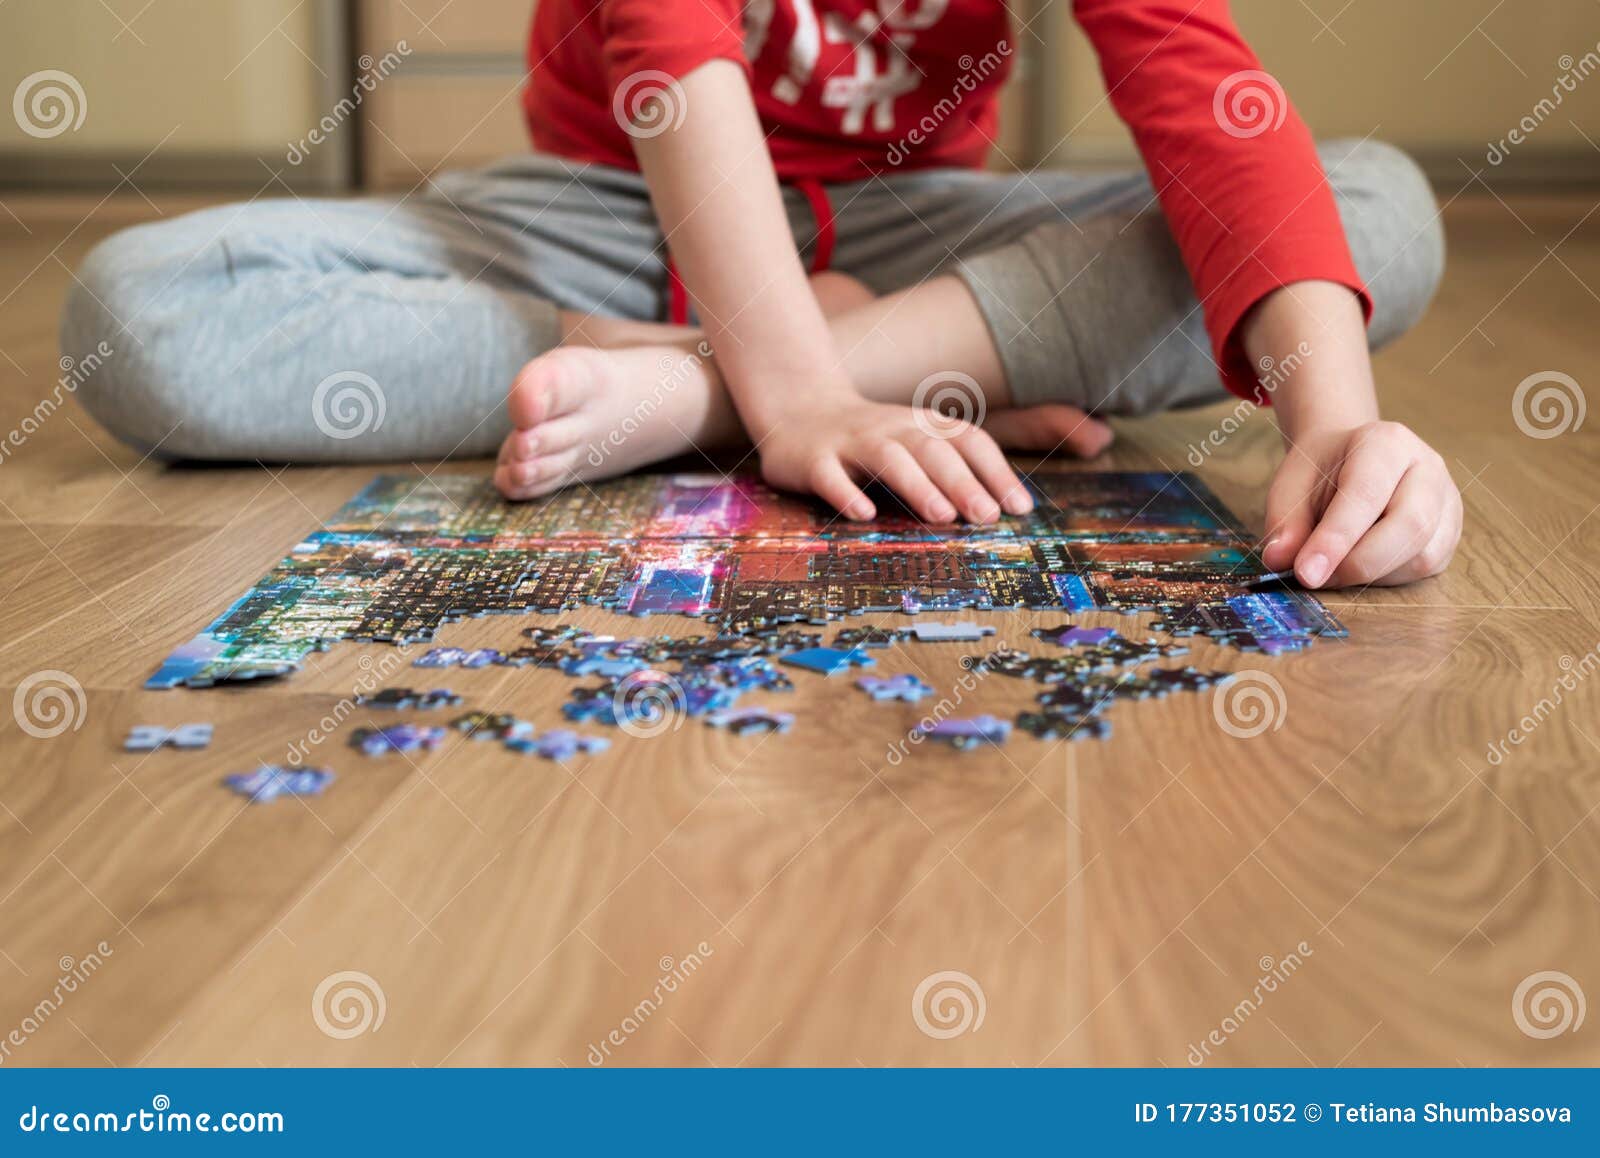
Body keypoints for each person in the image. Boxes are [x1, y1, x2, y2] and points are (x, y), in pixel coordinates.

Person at [62, 0, 1458, 589]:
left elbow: (1198, 83)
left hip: (912, 223)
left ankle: (684, 388)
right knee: (144, 309)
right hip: (626, 209)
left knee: (1378, 207)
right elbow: (666, 46)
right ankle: (847, 368)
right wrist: (794, 391)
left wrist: (1331, 421)